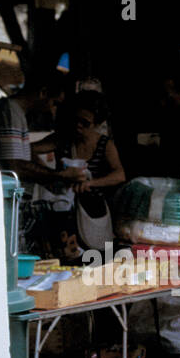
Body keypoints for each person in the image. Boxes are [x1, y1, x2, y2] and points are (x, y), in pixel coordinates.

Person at [32, 90, 126, 261]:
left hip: (93, 213)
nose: (78, 126)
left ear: (97, 123)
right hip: (63, 211)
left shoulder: (104, 144)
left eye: (85, 122)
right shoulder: (63, 139)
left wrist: (91, 184)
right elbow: (29, 150)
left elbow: (119, 175)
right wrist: (54, 174)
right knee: (67, 260)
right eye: (75, 120)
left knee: (96, 258)